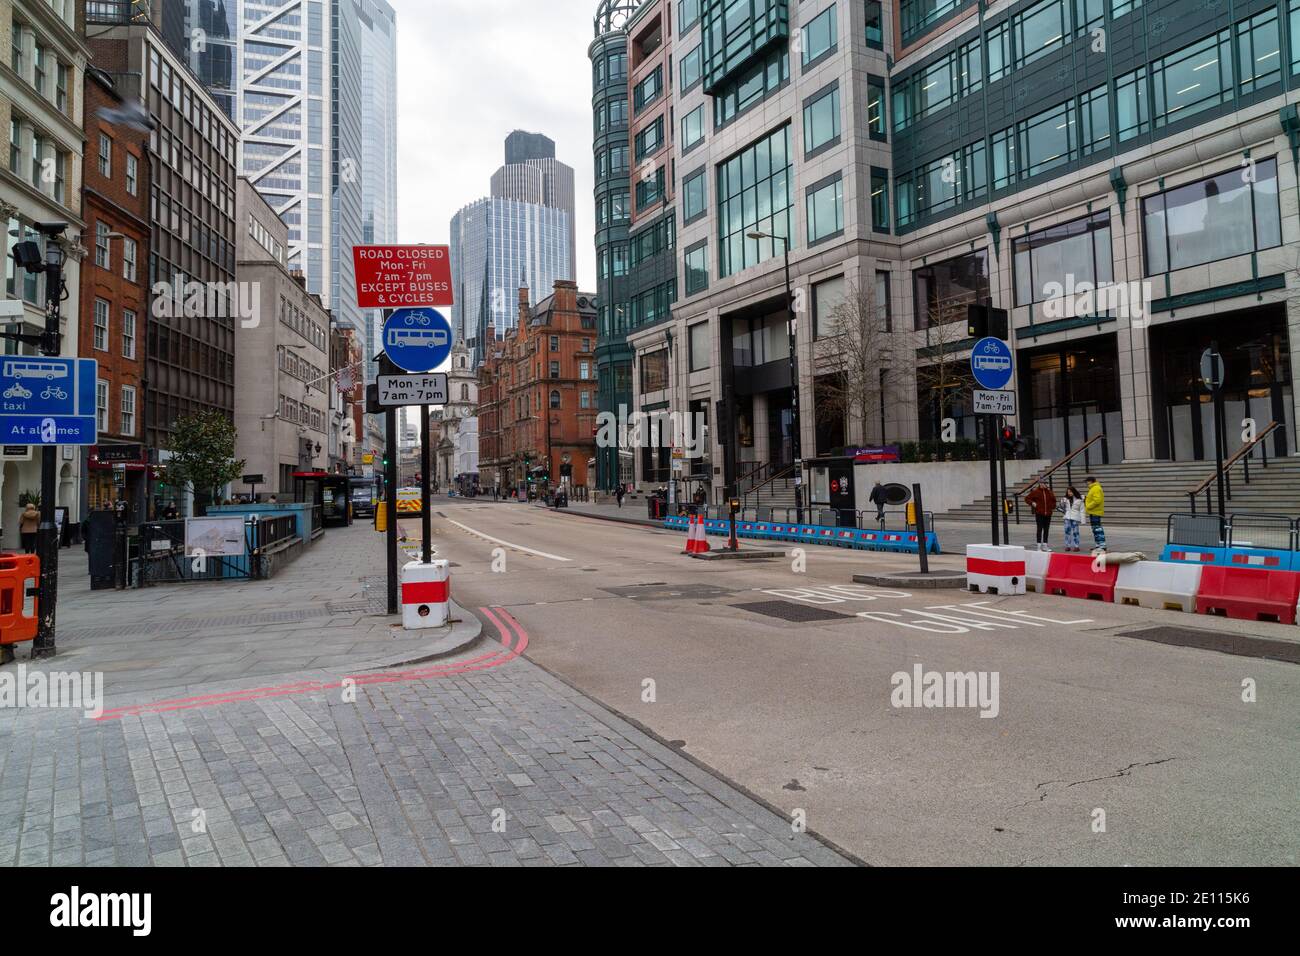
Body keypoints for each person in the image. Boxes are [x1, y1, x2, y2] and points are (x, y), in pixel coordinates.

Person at [1024, 483, 1057, 551]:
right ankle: (1039, 546)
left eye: (1044, 483)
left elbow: (1054, 501)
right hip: (1039, 513)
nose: (1042, 484)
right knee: (1039, 529)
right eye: (1041, 483)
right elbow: (1027, 498)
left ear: (1046, 484)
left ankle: (1045, 545)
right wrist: (1033, 503)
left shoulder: (1049, 492)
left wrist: (1052, 507)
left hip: (1048, 514)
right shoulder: (1036, 492)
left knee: (1046, 529)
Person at [1085, 476, 1106, 553]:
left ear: (1091, 481)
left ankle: (1102, 546)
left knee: (1097, 529)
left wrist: (1088, 506)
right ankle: (1098, 545)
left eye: (1087, 481)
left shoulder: (1096, 488)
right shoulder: (1093, 488)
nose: (1086, 483)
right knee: (1095, 529)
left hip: (1095, 512)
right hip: (1093, 512)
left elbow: (1097, 500)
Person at [1061, 486, 1085, 553]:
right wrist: (1062, 502)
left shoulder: (1079, 499)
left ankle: (1076, 546)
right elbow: (1062, 507)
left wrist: (1083, 520)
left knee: (1076, 532)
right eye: (1068, 492)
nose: (1069, 493)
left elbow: (1082, 510)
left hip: (1075, 517)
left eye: (1070, 492)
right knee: (1067, 532)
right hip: (1067, 517)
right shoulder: (1065, 499)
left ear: (1074, 491)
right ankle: (1068, 546)